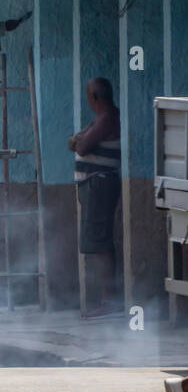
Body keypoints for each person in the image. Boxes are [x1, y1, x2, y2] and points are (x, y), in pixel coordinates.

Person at [68, 76, 121, 318]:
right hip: (93, 186)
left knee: (101, 243)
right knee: (97, 242)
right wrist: (79, 139)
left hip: (100, 185)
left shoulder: (107, 117)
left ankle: (109, 301)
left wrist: (79, 140)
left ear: (96, 97)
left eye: (89, 96)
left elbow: (80, 145)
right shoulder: (99, 119)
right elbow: (75, 141)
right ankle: (107, 300)